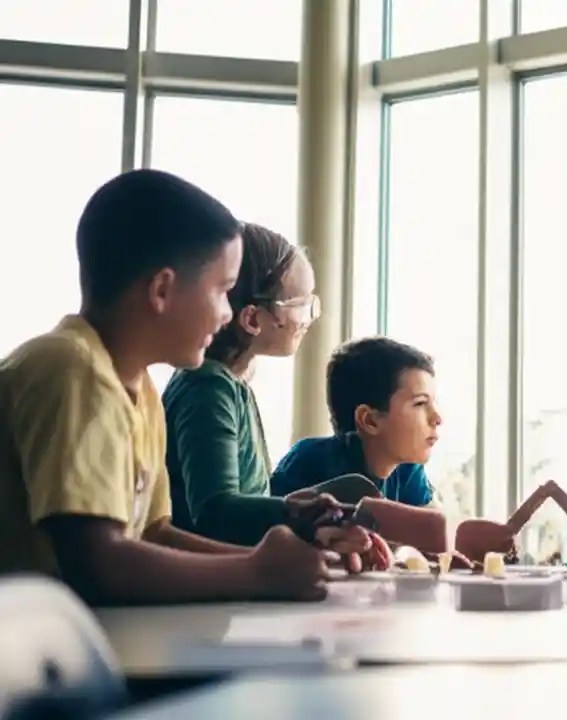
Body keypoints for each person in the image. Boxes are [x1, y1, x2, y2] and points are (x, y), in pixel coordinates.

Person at [0, 169, 373, 604]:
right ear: (162, 290)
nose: (225, 315)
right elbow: (97, 562)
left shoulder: (141, 395)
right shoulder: (72, 369)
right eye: (222, 291)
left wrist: (281, 569)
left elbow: (154, 534)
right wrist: (255, 573)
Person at [163, 223, 331, 547]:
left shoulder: (231, 385)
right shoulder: (209, 389)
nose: (310, 317)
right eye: (300, 305)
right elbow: (216, 511)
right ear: (252, 319)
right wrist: (306, 516)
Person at [271, 337, 436, 508]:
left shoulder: (407, 470)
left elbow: (430, 527)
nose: (437, 418)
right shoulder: (307, 463)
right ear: (370, 420)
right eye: (420, 403)